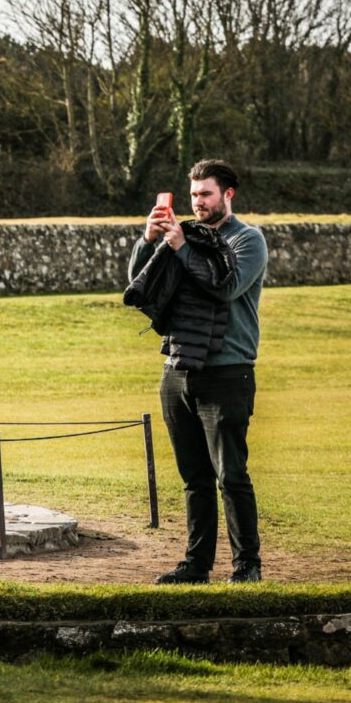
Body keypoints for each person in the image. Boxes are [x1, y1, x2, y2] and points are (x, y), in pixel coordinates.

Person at [126, 160, 267, 584]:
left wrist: (182, 248)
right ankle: (196, 565)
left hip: (227, 372)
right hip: (177, 369)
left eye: (205, 194)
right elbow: (141, 284)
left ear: (228, 194)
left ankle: (247, 567)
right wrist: (148, 241)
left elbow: (225, 286)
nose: (197, 202)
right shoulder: (182, 235)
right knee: (194, 478)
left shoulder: (248, 240)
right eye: (192, 195)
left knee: (232, 476)